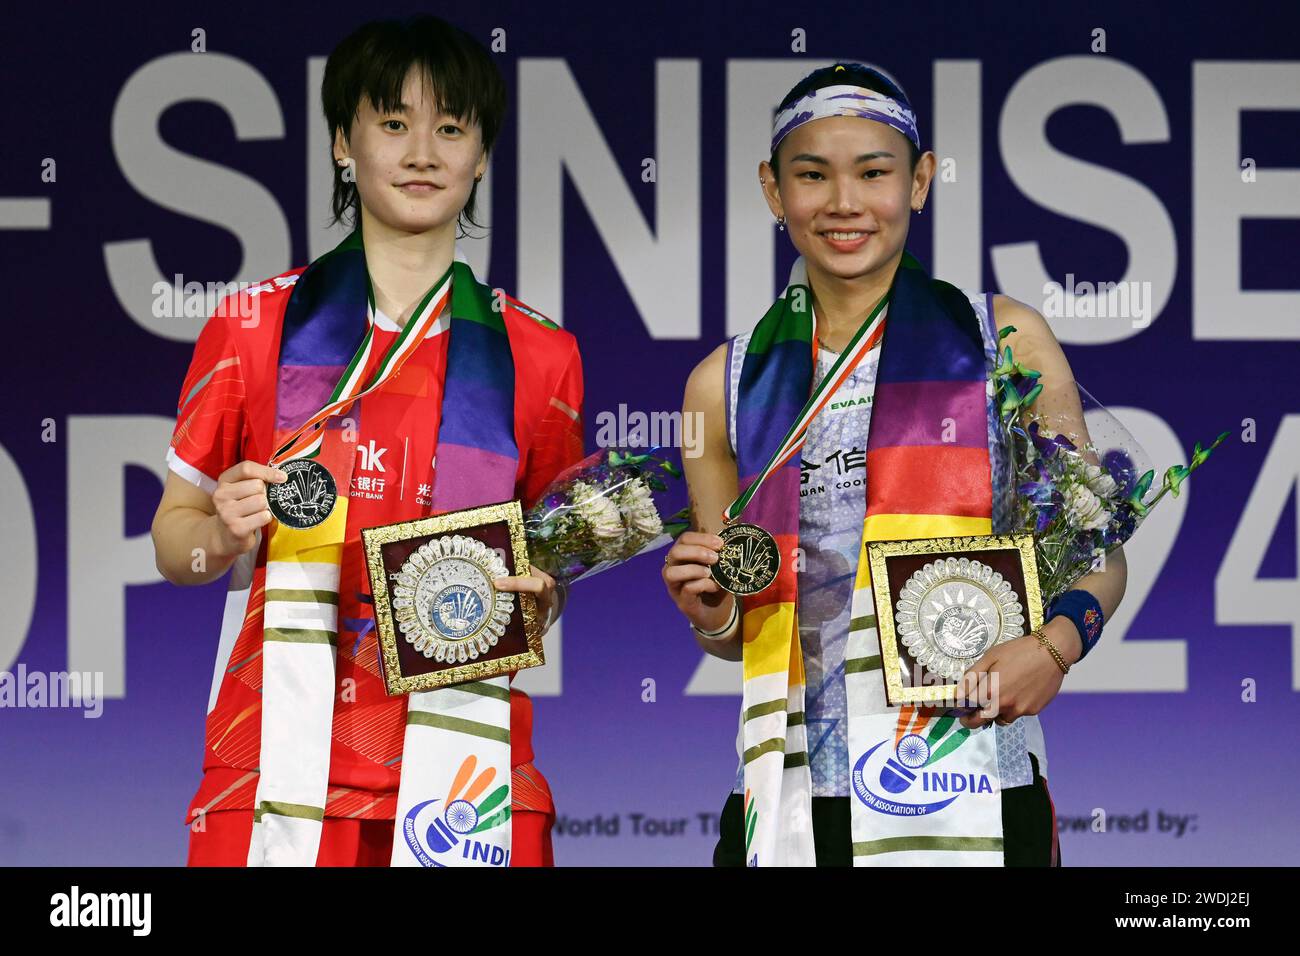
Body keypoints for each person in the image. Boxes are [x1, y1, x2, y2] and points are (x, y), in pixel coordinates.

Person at [662, 62, 1127, 866]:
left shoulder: (1002, 339)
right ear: (774, 191)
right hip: (793, 796)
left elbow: (1100, 558)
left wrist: (1056, 645)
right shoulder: (721, 385)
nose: (844, 203)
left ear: (918, 181)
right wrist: (709, 612)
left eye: (873, 173)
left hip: (976, 776)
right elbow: (735, 628)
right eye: (813, 175)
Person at [151, 15, 584, 867]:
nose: (423, 152)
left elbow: (546, 570)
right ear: (344, 141)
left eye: (451, 129)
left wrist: (541, 594)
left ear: (481, 155)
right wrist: (222, 533)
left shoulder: (542, 353)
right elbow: (176, 543)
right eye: (393, 123)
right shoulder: (253, 324)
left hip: (471, 773)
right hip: (270, 762)